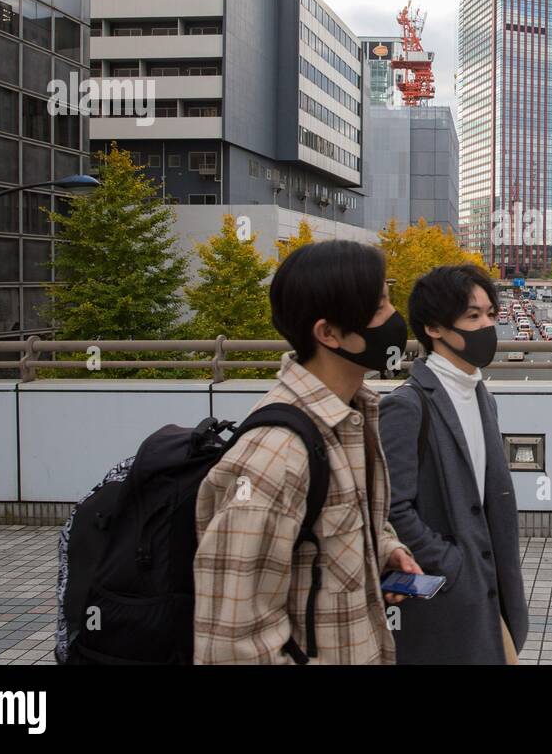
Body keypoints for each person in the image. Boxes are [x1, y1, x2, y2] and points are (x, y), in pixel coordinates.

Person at [193, 240, 423, 664]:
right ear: (328, 333)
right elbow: (230, 643)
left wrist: (384, 548)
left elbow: (331, 530)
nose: (395, 320)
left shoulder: (354, 415)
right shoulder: (274, 458)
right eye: (378, 309)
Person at [379, 264, 528, 664]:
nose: (487, 326)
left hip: (491, 591)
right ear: (434, 328)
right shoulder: (406, 406)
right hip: (448, 600)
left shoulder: (482, 396)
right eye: (472, 316)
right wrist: (451, 564)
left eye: (491, 314)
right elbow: (391, 507)